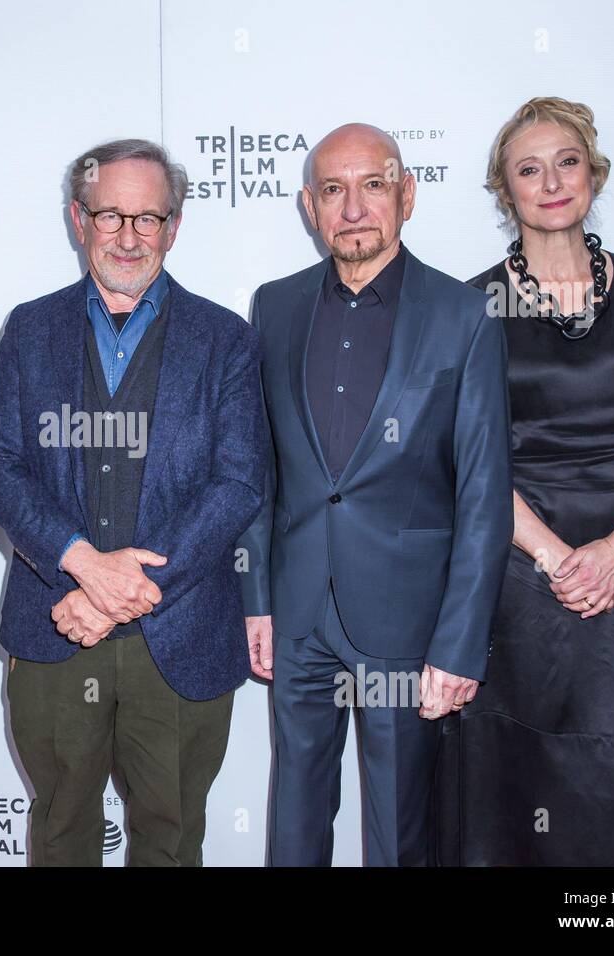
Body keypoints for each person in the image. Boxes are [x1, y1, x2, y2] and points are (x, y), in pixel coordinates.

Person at [0, 139, 268, 866]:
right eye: (110, 216)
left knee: (170, 841)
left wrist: (119, 593)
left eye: (148, 218)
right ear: (79, 219)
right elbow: (0, 471)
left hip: (181, 632)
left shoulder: (226, 339)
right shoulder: (29, 329)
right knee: (60, 836)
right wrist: (82, 563)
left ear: (175, 227)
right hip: (55, 626)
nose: (129, 237)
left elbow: (238, 482)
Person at [238, 124, 513, 866]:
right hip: (298, 616)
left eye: (373, 185)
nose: (354, 207)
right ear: (309, 205)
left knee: (398, 834)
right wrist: (257, 597)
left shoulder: (464, 315)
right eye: (334, 189)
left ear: (407, 194)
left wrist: (459, 645)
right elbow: (261, 468)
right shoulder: (276, 306)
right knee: (293, 829)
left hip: (406, 624)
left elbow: (485, 494)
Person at [434, 97, 614, 866]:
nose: (551, 183)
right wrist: (557, 560)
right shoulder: (470, 306)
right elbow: (469, 455)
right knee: (511, 769)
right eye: (529, 169)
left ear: (593, 173)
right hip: (519, 570)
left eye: (567, 162)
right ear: (505, 190)